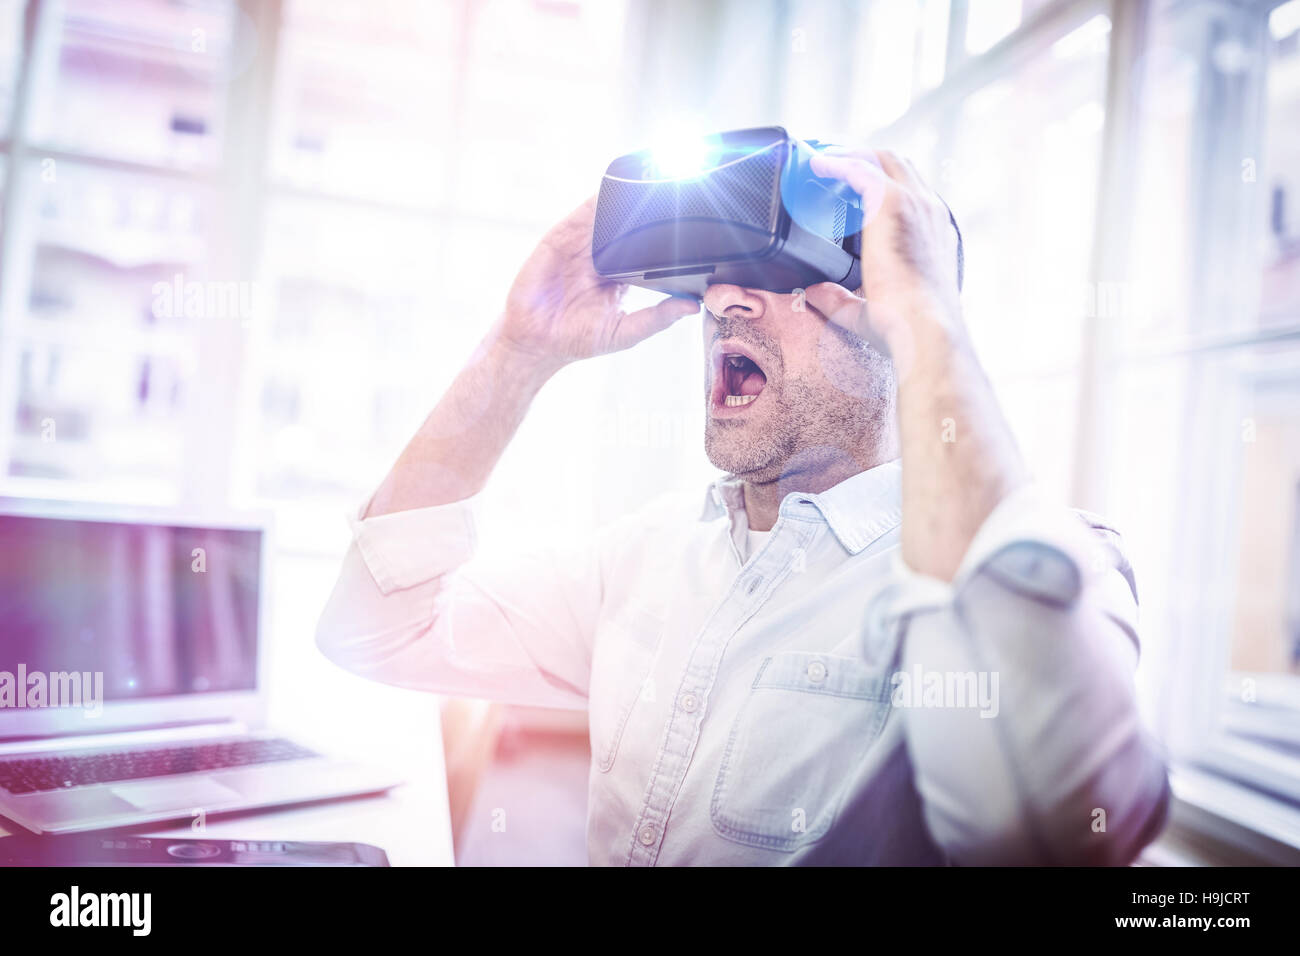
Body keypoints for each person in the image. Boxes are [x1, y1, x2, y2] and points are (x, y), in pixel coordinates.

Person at [316, 146, 1170, 865]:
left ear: (891, 318)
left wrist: (930, 326)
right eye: (716, 279)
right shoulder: (643, 557)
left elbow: (1048, 823)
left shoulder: (1058, 562)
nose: (725, 303)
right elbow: (372, 631)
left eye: (782, 271)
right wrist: (517, 350)